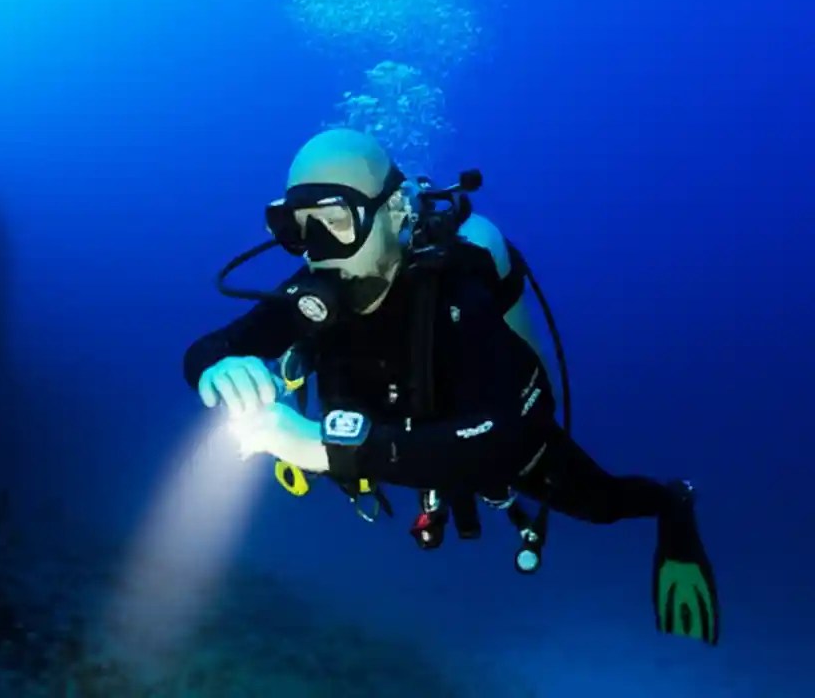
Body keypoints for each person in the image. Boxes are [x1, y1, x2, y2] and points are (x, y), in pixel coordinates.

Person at [182, 128, 721, 646]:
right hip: (391, 444)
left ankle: (674, 505)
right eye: (295, 228)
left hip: (492, 438)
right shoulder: (314, 291)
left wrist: (315, 447)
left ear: (393, 213)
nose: (314, 250)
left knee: (601, 504)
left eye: (333, 222)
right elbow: (210, 348)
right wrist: (216, 368)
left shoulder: (455, 288)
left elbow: (501, 442)